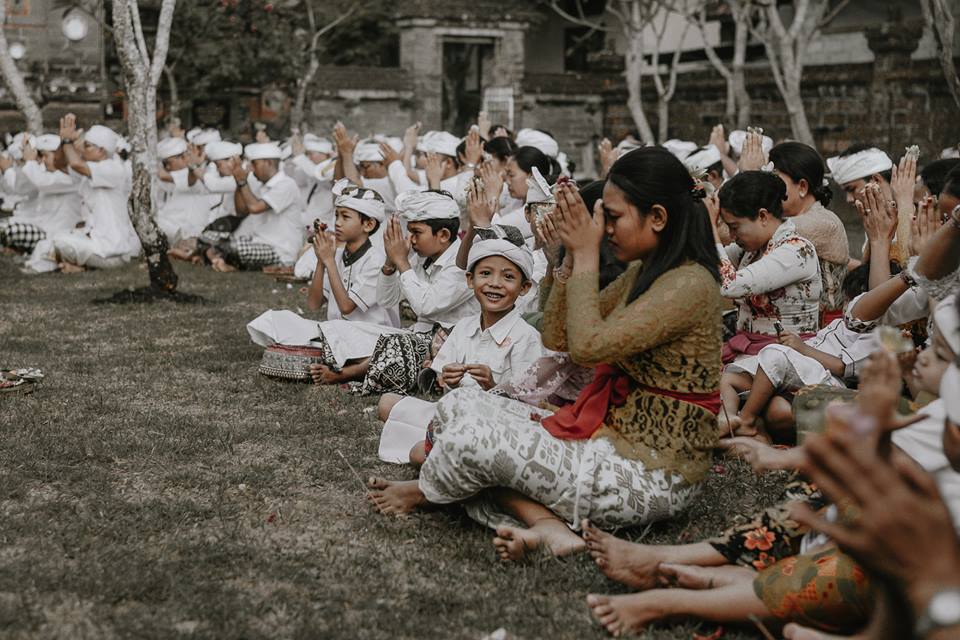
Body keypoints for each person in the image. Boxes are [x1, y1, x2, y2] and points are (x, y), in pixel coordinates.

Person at [367, 147, 723, 565]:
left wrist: (586, 254)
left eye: (612, 217)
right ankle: (548, 526)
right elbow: (559, 337)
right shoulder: (643, 274)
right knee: (457, 405)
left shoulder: (690, 284)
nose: (605, 229)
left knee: (468, 440)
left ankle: (429, 492)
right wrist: (562, 259)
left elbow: (588, 347)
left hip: (651, 476)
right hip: (605, 443)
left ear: (657, 218)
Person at [376, 236, 543, 465]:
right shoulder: (464, 327)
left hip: (493, 426)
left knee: (417, 453)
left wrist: (492, 386)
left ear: (524, 288)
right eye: (485, 273)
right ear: (470, 280)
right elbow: (445, 384)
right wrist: (448, 380)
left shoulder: (527, 338)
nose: (495, 283)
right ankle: (441, 443)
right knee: (387, 402)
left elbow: (527, 410)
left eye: (508, 277)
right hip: (451, 415)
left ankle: (442, 446)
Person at [719, 264, 881, 441]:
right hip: (803, 368)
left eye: (852, 301)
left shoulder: (875, 337)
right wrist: (794, 345)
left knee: (775, 355)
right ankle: (728, 419)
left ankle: (746, 421)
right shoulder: (840, 324)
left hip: (827, 379)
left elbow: (842, 367)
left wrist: (801, 348)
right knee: (730, 377)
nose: (846, 307)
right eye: (848, 301)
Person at [710, 170, 822, 364]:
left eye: (734, 227)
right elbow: (707, 261)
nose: (731, 236)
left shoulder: (795, 250)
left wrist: (711, 228)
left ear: (762, 216)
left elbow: (730, 285)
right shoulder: (751, 249)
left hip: (787, 356)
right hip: (750, 351)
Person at [30, 114, 140, 273]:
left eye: (87, 145)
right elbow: (59, 164)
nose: (82, 148)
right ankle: (72, 267)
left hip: (114, 251)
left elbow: (75, 163)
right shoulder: (89, 170)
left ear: (101, 150)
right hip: (98, 242)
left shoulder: (113, 168)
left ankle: (75, 267)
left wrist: (68, 141)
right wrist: (63, 141)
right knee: (50, 242)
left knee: (60, 242)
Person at [770, 142, 850, 321]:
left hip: (823, 328)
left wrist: (748, 176)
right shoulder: (797, 219)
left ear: (802, 187)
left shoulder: (822, 222)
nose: (769, 191)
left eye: (774, 183)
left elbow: (757, 233)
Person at [204, 142, 304, 272]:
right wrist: (238, 181)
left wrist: (242, 181)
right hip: (257, 242)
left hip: (280, 250)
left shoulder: (286, 184)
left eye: (254, 164)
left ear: (268, 163)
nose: (251, 169)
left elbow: (255, 208)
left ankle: (219, 259)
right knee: (207, 237)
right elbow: (241, 210)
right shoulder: (262, 185)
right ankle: (220, 260)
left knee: (230, 247)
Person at [0, 134, 81, 261]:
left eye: (45, 156)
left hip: (54, 233)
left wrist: (30, 160)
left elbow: (41, 182)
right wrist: (21, 164)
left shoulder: (70, 178)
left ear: (59, 156)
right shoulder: (44, 174)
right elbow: (21, 188)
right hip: (39, 227)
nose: (42, 161)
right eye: (40, 156)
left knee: (9, 230)